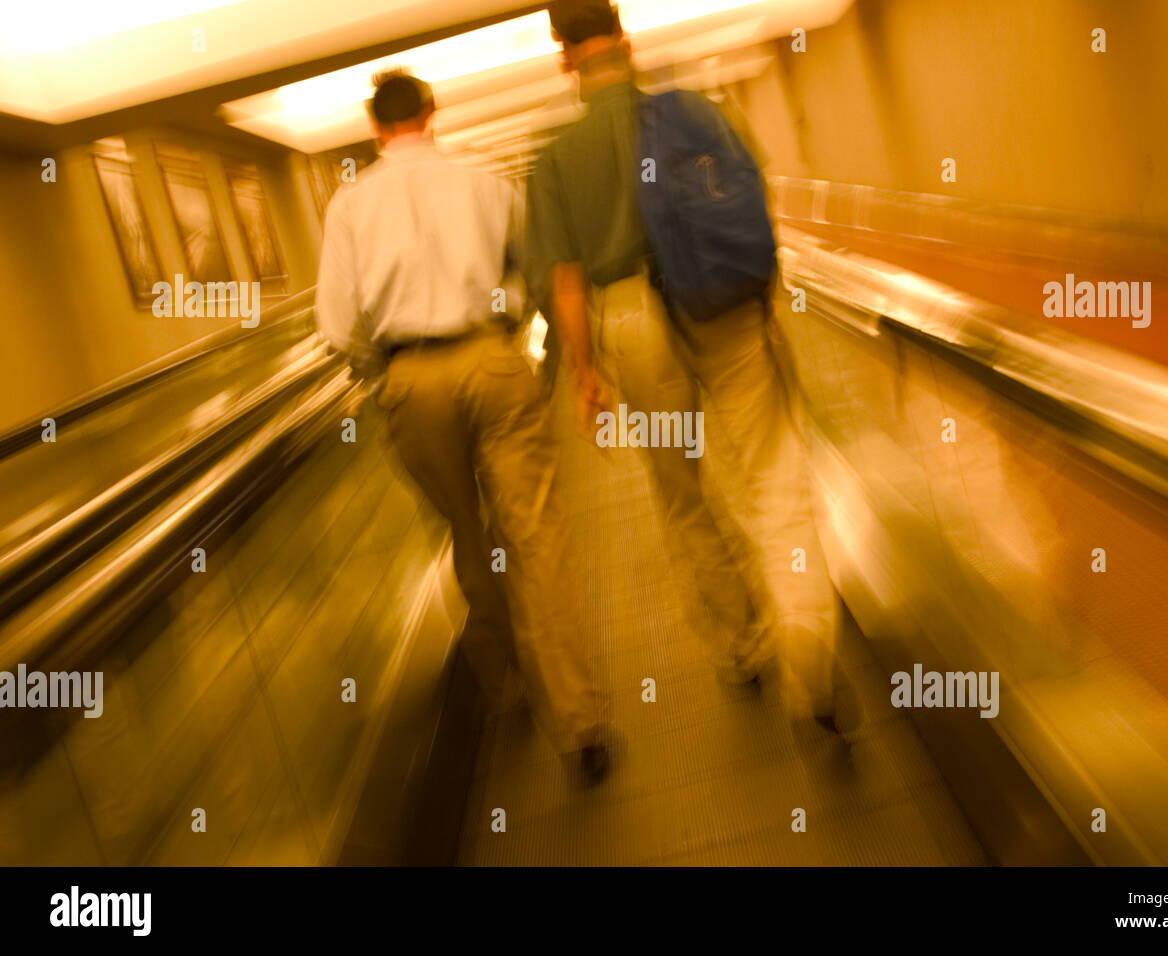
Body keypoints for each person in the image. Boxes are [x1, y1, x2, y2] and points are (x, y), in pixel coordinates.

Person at [524, 0, 858, 734]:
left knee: (683, 494)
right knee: (773, 473)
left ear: (564, 59)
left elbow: (566, 278)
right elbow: (755, 198)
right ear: (626, 41)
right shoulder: (696, 112)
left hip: (631, 320)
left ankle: (743, 643)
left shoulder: (555, 158)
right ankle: (806, 627)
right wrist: (763, 299)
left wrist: (585, 373)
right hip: (723, 300)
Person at [315, 69, 609, 783]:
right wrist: (516, 323)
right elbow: (535, 274)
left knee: (468, 537)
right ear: (432, 113)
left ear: (375, 126)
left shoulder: (348, 206)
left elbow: (335, 324)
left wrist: (384, 370)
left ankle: (505, 690)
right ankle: (579, 723)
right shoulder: (487, 185)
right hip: (491, 357)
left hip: (411, 378)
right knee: (537, 537)